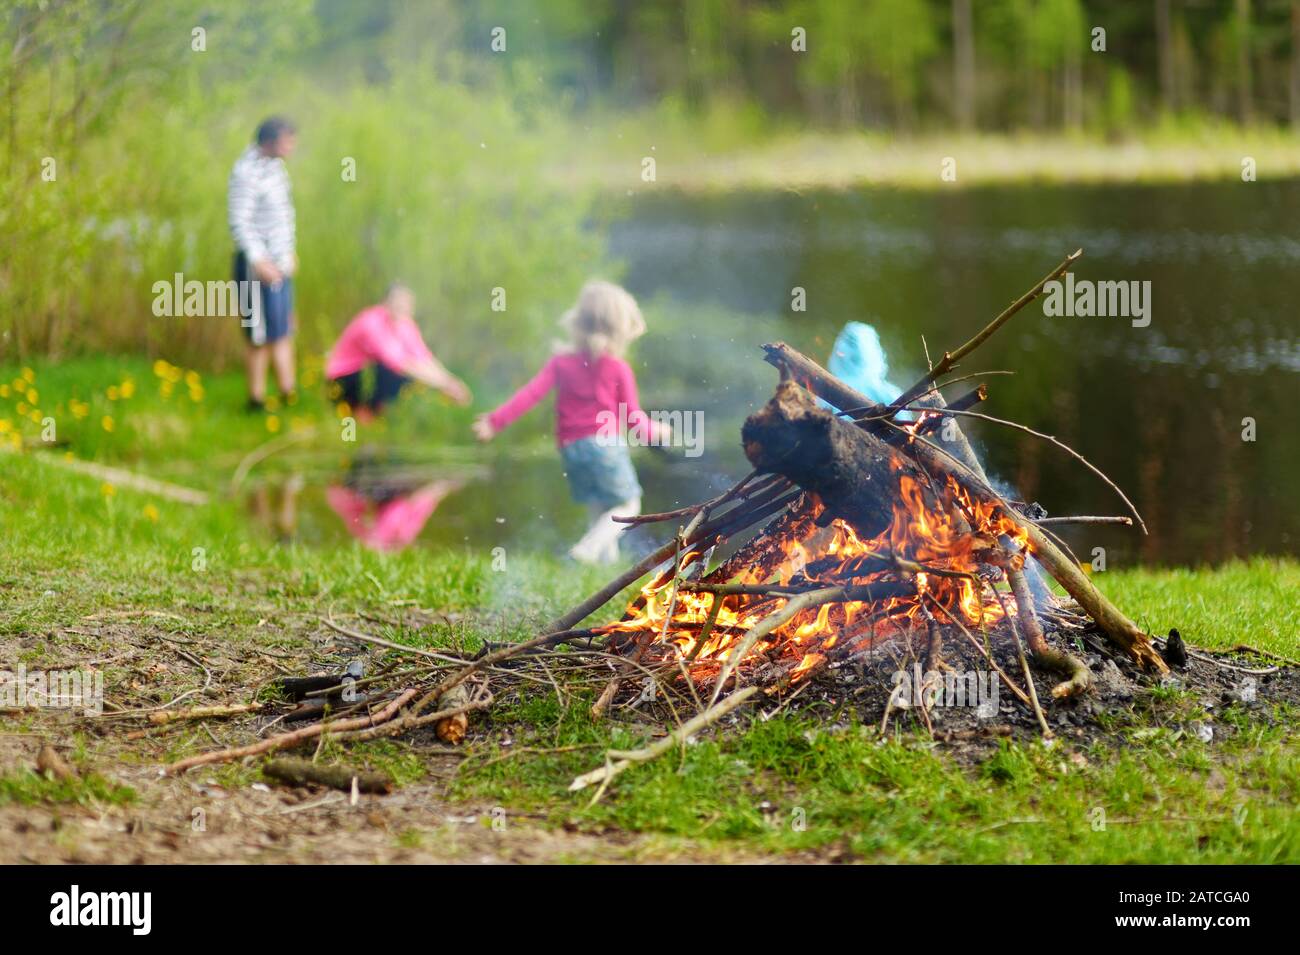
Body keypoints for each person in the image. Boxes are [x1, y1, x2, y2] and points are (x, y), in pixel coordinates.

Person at [473, 280, 668, 564]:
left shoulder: (561, 363)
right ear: (619, 331)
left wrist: (494, 422)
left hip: (570, 448)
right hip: (604, 446)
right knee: (629, 505)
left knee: (599, 511)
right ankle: (587, 551)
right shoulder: (617, 368)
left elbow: (530, 395)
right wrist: (659, 432)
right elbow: (634, 421)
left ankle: (603, 571)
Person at [228, 116, 299, 411]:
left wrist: (289, 253)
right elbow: (240, 222)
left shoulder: (277, 168)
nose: (292, 145)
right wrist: (259, 261)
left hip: (281, 264)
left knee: (283, 328)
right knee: (258, 335)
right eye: (287, 140)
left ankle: (287, 394)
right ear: (269, 142)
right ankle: (255, 400)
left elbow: (282, 217)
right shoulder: (246, 172)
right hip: (255, 268)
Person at [325, 283, 471, 420]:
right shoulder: (371, 322)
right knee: (396, 373)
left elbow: (424, 358)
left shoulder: (404, 323)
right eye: (398, 303)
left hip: (367, 376)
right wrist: (443, 385)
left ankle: (376, 417)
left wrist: (450, 381)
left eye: (407, 304)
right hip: (342, 380)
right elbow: (401, 364)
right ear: (386, 302)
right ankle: (365, 415)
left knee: (414, 376)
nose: (403, 307)